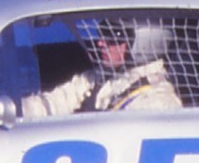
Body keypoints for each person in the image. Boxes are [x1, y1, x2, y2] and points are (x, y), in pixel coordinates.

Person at [19, 18, 183, 118]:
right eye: (102, 33)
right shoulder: (98, 79)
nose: (101, 43)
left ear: (145, 42)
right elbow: (53, 103)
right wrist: (15, 109)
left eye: (114, 37)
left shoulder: (157, 100)